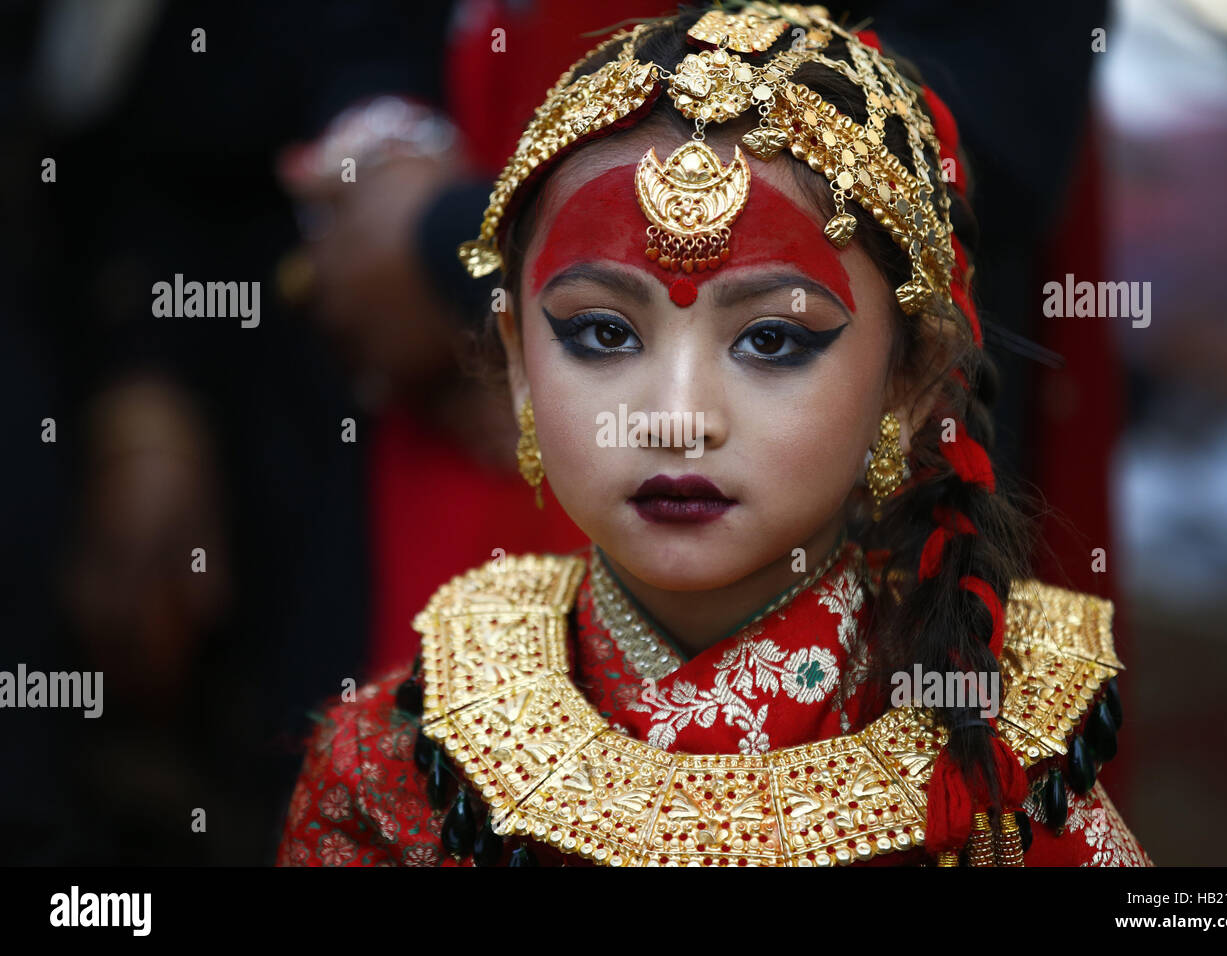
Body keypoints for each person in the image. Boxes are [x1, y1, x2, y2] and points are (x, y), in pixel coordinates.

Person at [278, 3, 1150, 867]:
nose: (676, 418)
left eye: (772, 339)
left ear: (911, 383)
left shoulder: (1007, 778)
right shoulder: (390, 771)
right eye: (604, 334)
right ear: (516, 362)